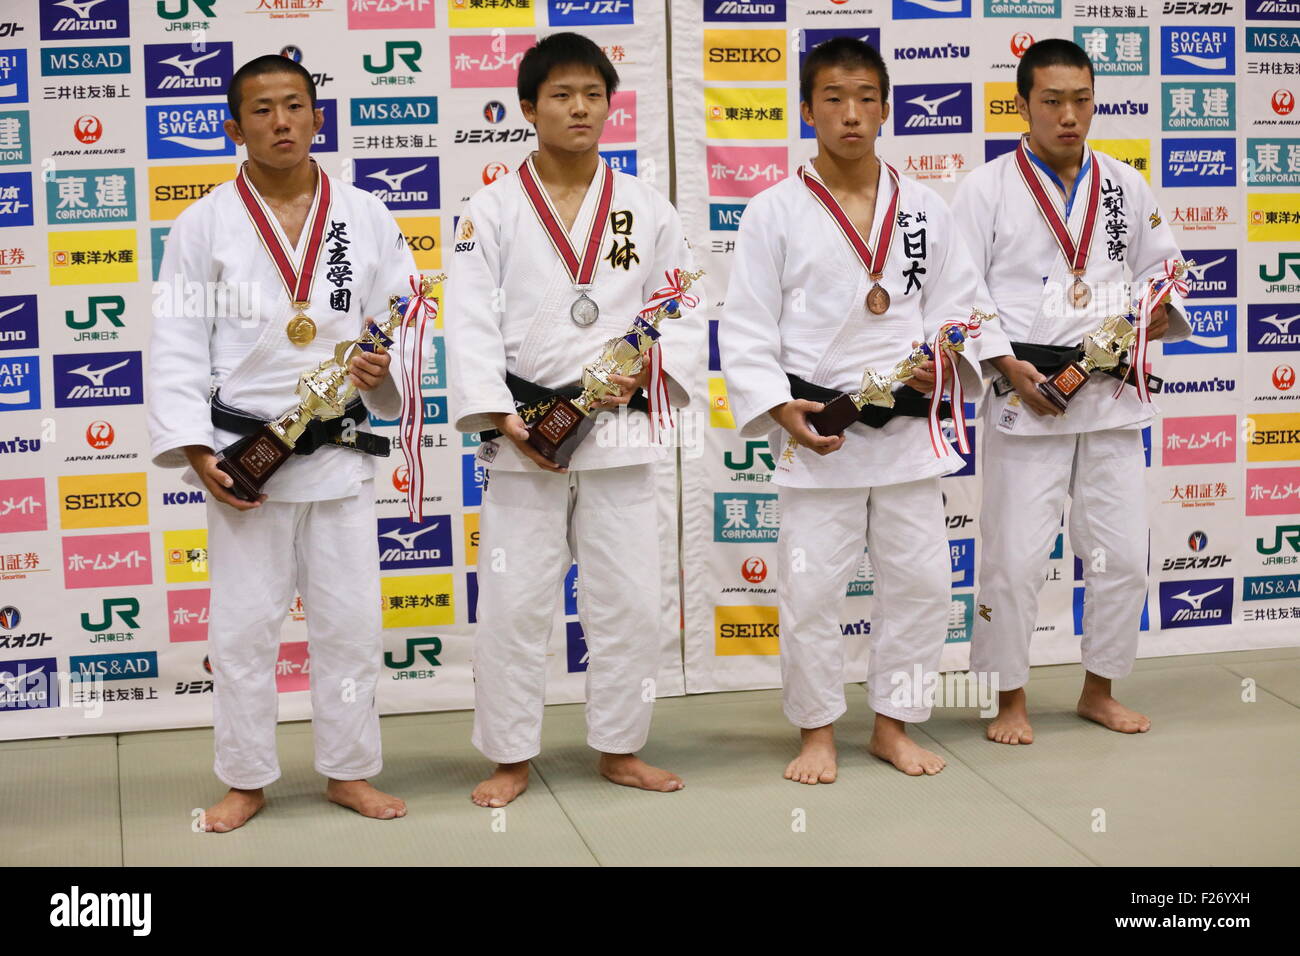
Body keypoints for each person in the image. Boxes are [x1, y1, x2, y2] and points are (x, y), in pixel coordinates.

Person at [721, 36, 1014, 781]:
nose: (851, 115)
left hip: (909, 432)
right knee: (813, 589)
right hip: (822, 429)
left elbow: (959, 307)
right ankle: (817, 732)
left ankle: (894, 723)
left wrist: (946, 356)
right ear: (809, 108)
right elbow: (748, 326)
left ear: (887, 108)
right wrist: (777, 406)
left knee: (921, 586)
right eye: (833, 99)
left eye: (865, 99)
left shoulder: (923, 207)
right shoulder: (773, 211)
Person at [148, 55, 418, 831]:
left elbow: (402, 315)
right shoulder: (202, 224)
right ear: (234, 128)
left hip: (335, 451)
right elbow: (175, 344)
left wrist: (383, 364)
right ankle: (243, 777)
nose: (281, 122)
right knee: (241, 629)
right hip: (248, 462)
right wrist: (196, 450)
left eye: (295, 106)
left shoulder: (365, 216)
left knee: (350, 625)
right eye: (261, 110)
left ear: (317, 117)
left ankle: (349, 769)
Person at [446, 33, 704, 808]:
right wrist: (497, 410)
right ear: (528, 108)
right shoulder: (489, 209)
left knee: (626, 599)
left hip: (619, 430)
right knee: (517, 601)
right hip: (526, 434)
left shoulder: (644, 207)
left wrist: (642, 372)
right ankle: (509, 754)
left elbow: (683, 303)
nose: (580, 107)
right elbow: (468, 321)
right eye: (561, 94)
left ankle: (621, 746)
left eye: (593, 93)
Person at [951, 38, 1190, 745]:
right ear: (1021, 103)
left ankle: (1099, 689)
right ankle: (1011, 697)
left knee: (1120, 555)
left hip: (1109, 397)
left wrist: (1136, 322)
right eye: (1052, 101)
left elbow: (1167, 272)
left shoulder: (1124, 184)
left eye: (1081, 100)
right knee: (1016, 558)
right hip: (1026, 395)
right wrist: (1001, 362)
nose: (1069, 115)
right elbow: (959, 291)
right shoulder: (985, 189)